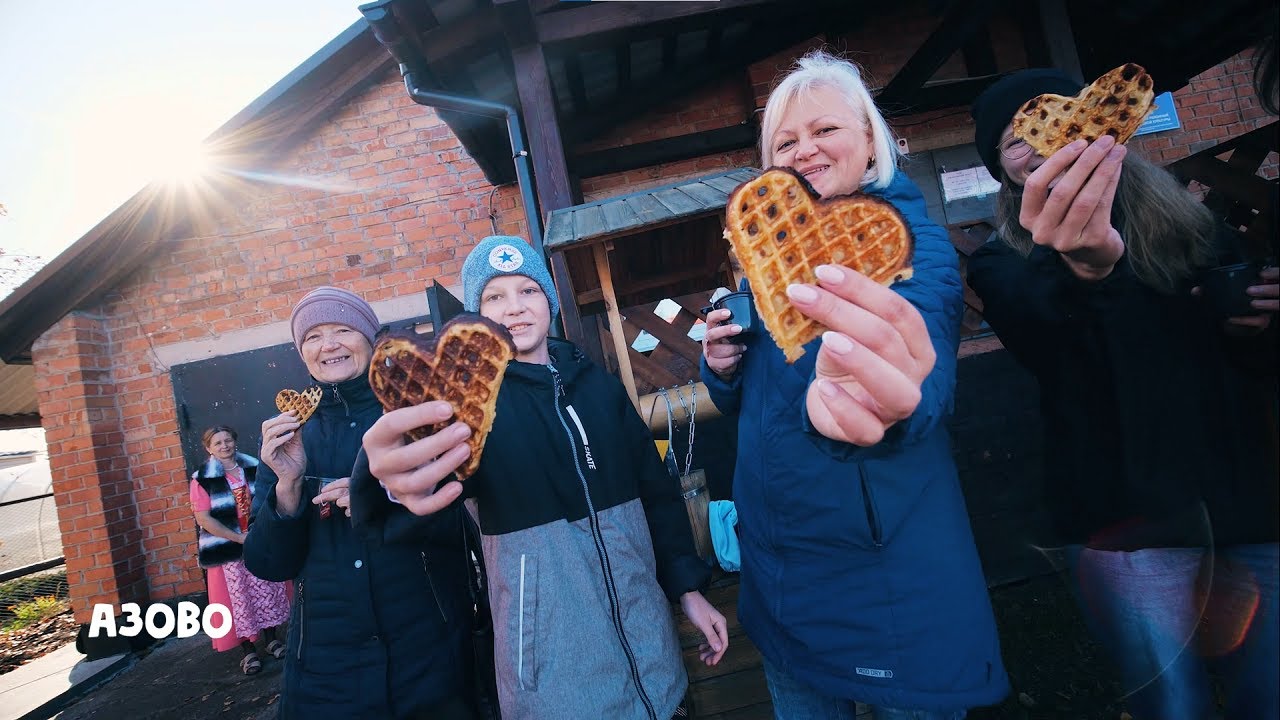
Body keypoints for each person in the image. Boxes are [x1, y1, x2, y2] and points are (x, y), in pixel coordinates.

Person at [700, 49, 1008, 719]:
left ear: (870, 142)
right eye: (785, 141)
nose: (803, 149)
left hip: (884, 582)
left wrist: (877, 399)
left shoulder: (909, 248)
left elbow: (916, 370)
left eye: (824, 130)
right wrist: (722, 371)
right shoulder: (767, 258)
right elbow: (763, 392)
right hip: (783, 579)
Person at [967, 68, 1279, 720]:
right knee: (1175, 707)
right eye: (1012, 140)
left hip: (1242, 505)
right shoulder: (1003, 262)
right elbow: (1050, 345)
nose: (1037, 139)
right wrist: (1082, 264)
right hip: (1127, 525)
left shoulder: (1190, 224)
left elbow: (1243, 360)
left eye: (1045, 114)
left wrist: (1253, 326)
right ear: (1002, 172)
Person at [352, 235, 729, 720]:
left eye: (528, 290)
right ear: (477, 314)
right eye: (494, 296)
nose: (515, 308)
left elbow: (656, 494)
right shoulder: (468, 413)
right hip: (553, 687)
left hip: (656, 667)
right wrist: (380, 478)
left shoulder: (598, 386)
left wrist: (687, 588)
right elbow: (408, 501)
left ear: (549, 301)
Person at [241, 286, 477, 720]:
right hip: (327, 666)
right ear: (301, 352)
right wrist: (287, 487)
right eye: (312, 336)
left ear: (370, 338)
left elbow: (461, 525)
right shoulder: (286, 439)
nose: (328, 344)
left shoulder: (413, 414)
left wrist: (380, 500)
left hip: (427, 650)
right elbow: (268, 564)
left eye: (342, 329)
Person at [190, 424, 290, 675]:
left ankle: (273, 641)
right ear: (208, 448)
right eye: (217, 443)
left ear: (234, 441)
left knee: (268, 590)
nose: (224, 446)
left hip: (259, 539)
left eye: (228, 440)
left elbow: (272, 497)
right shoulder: (202, 478)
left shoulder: (255, 467)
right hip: (228, 548)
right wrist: (237, 538)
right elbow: (204, 518)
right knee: (239, 599)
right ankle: (248, 653)